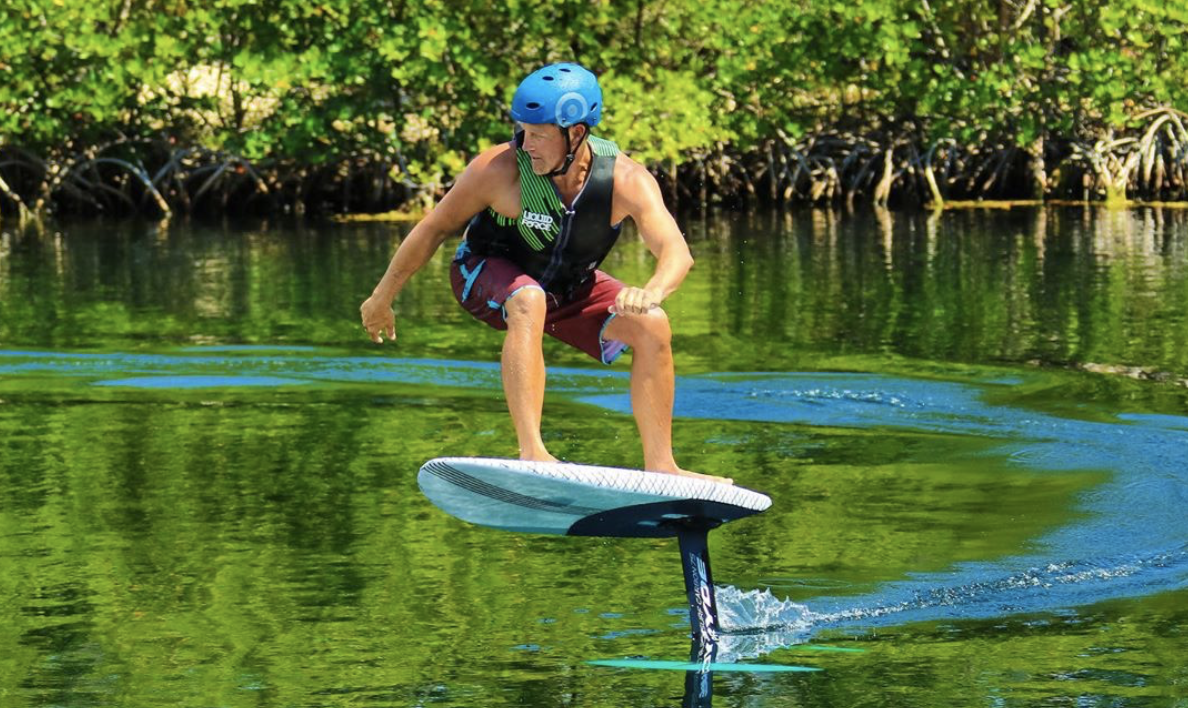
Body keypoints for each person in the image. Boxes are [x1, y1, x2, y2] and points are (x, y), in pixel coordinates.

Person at [359, 62, 730, 484]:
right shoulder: (499, 170)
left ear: (576, 133)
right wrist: (382, 297)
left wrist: (653, 291)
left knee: (652, 325)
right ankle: (533, 451)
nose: (525, 142)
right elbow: (433, 228)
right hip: (483, 272)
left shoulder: (626, 180)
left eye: (538, 134)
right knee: (527, 299)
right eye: (522, 130)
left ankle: (662, 465)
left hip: (568, 288)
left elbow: (676, 251)